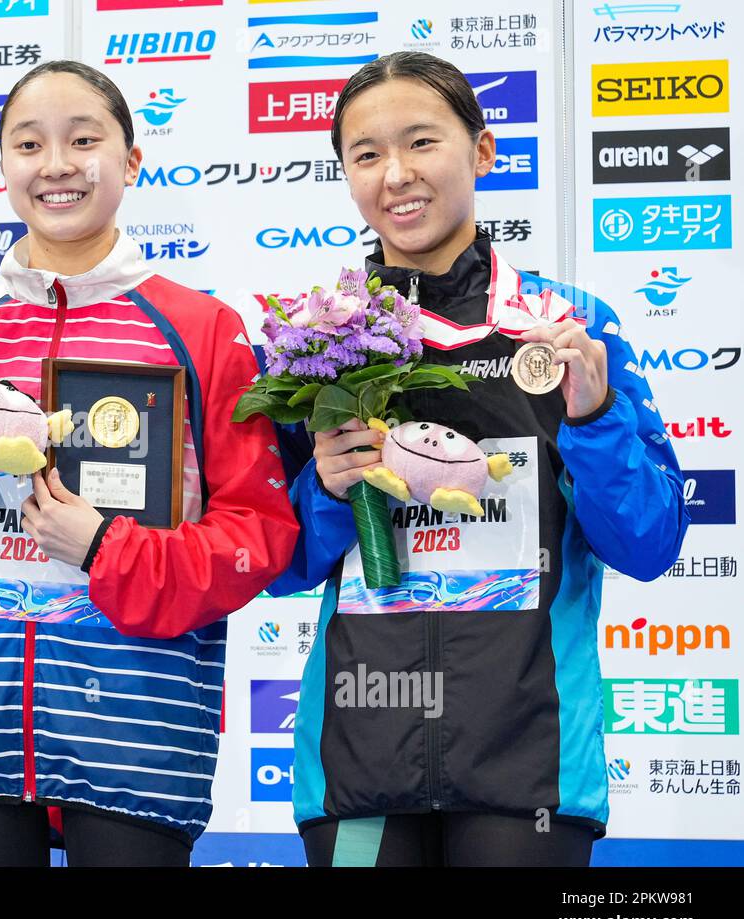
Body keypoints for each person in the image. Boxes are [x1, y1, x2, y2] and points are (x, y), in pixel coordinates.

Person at [0, 60, 299, 866]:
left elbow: (259, 534)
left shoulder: (202, 327)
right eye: (28, 143)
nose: (56, 164)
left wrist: (109, 551)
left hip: (139, 731)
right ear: (1, 166)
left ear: (132, 161)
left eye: (84, 139)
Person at [268, 51, 689, 867]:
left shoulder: (569, 327)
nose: (396, 174)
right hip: (356, 766)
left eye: (422, 142)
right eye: (366, 154)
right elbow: (278, 566)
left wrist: (595, 417)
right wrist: (326, 486)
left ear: (483, 151)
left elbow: (648, 544)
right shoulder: (312, 348)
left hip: (528, 769)